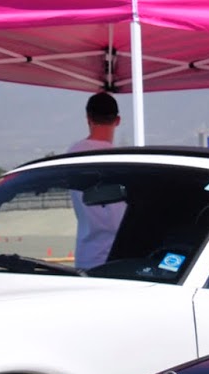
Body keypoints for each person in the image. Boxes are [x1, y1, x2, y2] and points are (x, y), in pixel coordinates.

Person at [68, 92, 125, 270]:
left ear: (88, 118)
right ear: (117, 120)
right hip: (119, 258)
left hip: (86, 258)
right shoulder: (121, 161)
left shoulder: (72, 155)